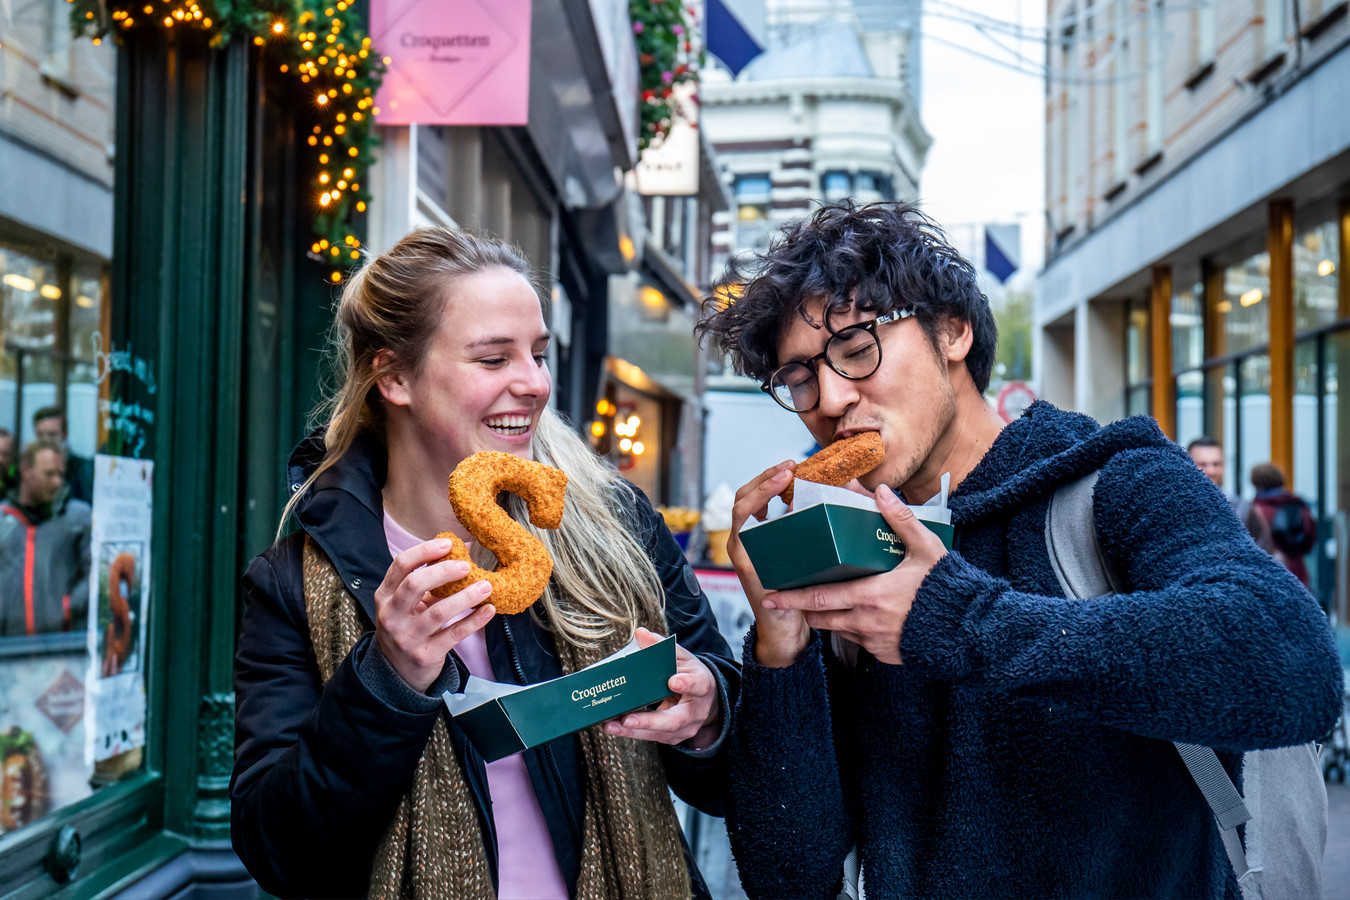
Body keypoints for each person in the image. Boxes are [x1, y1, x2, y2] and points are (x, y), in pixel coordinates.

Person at [696, 201, 1341, 898]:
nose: (828, 399)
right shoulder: (847, 552)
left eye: (856, 349)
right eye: (798, 379)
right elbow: (790, 876)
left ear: (952, 330)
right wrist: (780, 652)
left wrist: (957, 619)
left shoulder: (1114, 482)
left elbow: (1295, 665)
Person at [230, 228, 739, 899]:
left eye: (538, 354)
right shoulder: (293, 583)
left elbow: (734, 773)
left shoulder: (617, 527)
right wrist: (386, 679)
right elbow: (280, 852)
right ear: (394, 376)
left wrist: (710, 711)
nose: (534, 383)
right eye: (494, 359)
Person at [0, 440, 92, 636]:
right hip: (9, 646)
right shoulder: (4, 522)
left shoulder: (76, 519)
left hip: (60, 644)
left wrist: (70, 607)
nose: (57, 482)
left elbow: (95, 573)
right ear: (26, 470)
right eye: (49, 474)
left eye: (60, 474)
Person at [1186, 435, 1275, 553]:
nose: (1211, 471)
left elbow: (1264, 554)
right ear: (1187, 466)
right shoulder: (1176, 509)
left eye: (1216, 464)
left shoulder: (1243, 508)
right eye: (1202, 464)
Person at [1249, 462, 1318, 587]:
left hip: (1269, 576)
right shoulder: (1299, 505)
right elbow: (1310, 538)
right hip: (1299, 572)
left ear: (1256, 483)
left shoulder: (1257, 509)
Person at [32, 406, 94, 503]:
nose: (45, 441)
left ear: (64, 435)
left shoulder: (82, 469)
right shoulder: (29, 469)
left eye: (52, 435)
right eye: (40, 435)